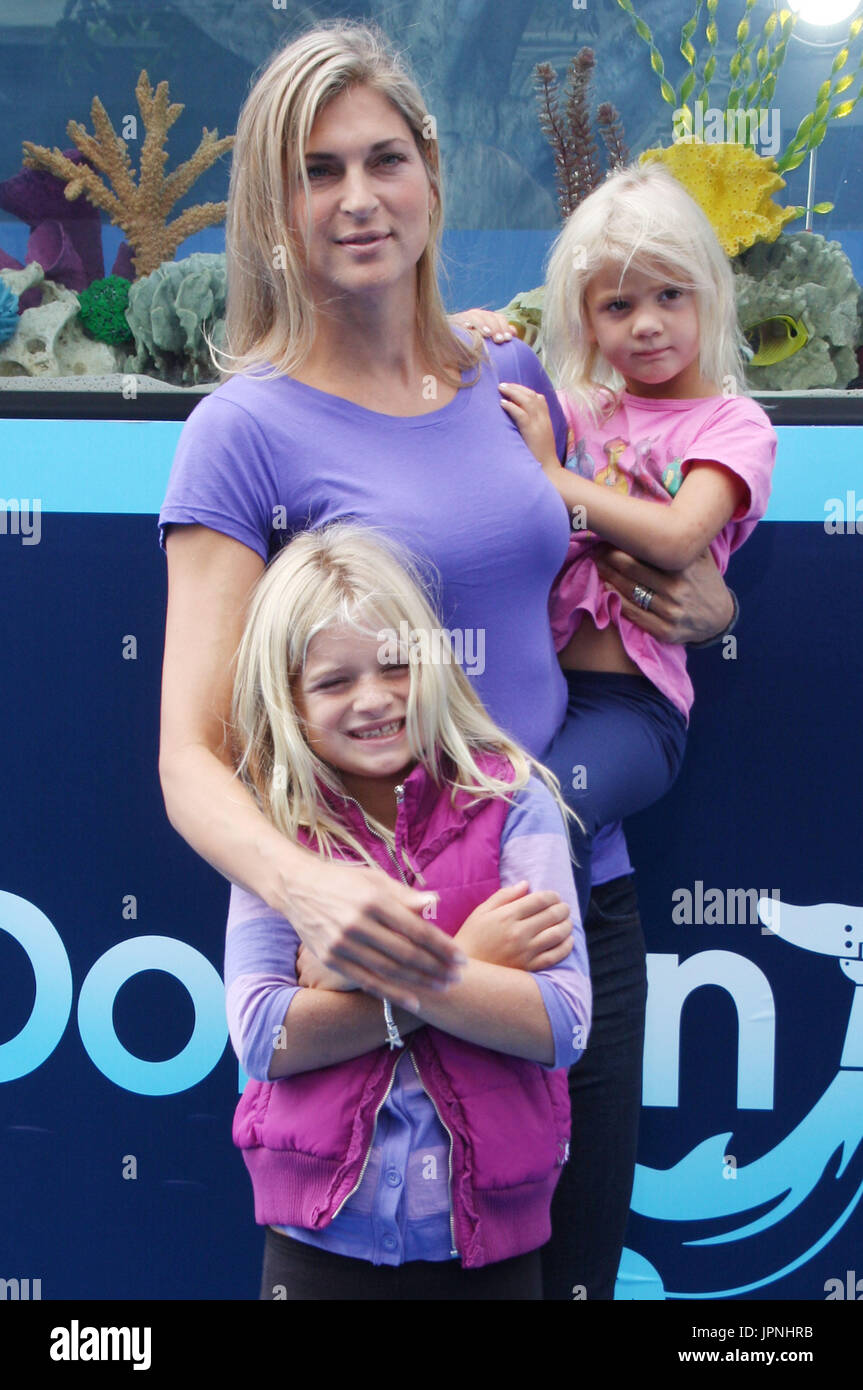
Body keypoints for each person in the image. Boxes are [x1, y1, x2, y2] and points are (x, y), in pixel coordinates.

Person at [157, 21, 739, 1299]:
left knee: (565, 1275)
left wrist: (692, 592)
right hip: (381, 923)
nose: (357, 199)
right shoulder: (238, 433)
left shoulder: (515, 373)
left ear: (430, 174)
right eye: (316, 171)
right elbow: (190, 760)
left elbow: (625, 561)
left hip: (568, 911)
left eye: (383, 159)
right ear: (273, 207)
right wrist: (314, 903)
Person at [225, 522, 592, 1299]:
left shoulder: (513, 801)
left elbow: (560, 1021)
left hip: (486, 1248)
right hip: (315, 1245)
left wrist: (356, 967)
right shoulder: (272, 825)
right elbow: (263, 1033)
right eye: (332, 682)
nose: (373, 699)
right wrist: (471, 958)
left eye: (396, 665)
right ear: (287, 697)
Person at [496, 164, 777, 921]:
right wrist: (469, 333)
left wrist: (553, 475)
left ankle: (548, 1011)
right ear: (585, 320)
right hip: (531, 690)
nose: (646, 323)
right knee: (486, 823)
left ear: (709, 295)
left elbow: (680, 536)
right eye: (618, 305)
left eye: (668, 295)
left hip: (632, 707)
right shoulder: (579, 408)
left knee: (548, 812)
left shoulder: (730, 424)